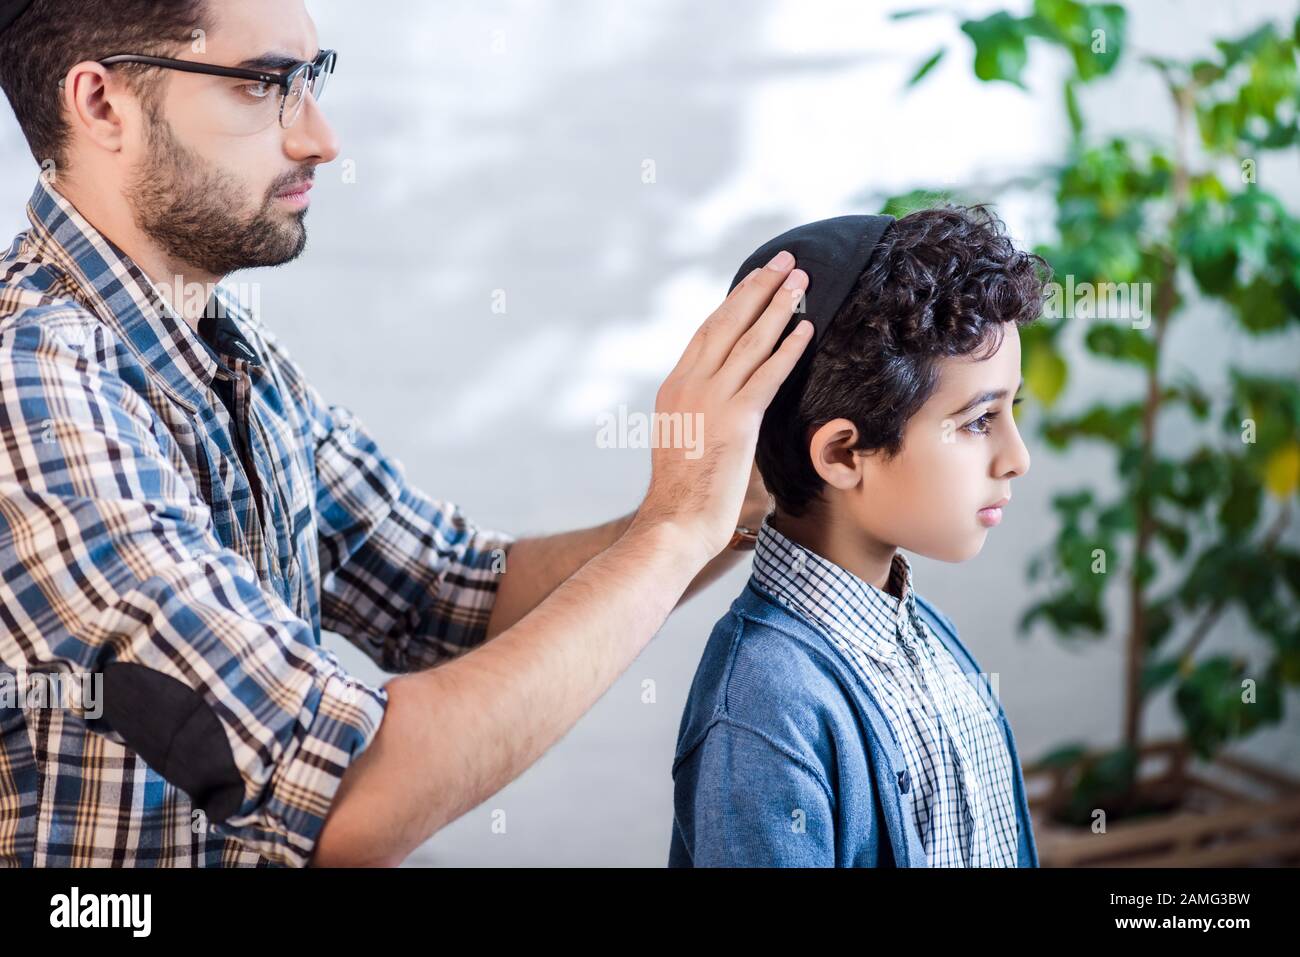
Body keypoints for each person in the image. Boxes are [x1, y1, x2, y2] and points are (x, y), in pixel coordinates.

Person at [0, 0, 814, 867]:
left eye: (310, 80)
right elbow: (349, 795)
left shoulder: (232, 355)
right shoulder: (34, 383)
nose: (320, 138)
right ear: (99, 105)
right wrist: (675, 527)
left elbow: (452, 595)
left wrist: (738, 501)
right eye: (264, 84)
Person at [669, 205, 1049, 866]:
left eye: (1009, 410)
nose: (1018, 456)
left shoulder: (927, 641)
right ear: (844, 454)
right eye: (979, 420)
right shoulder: (762, 705)